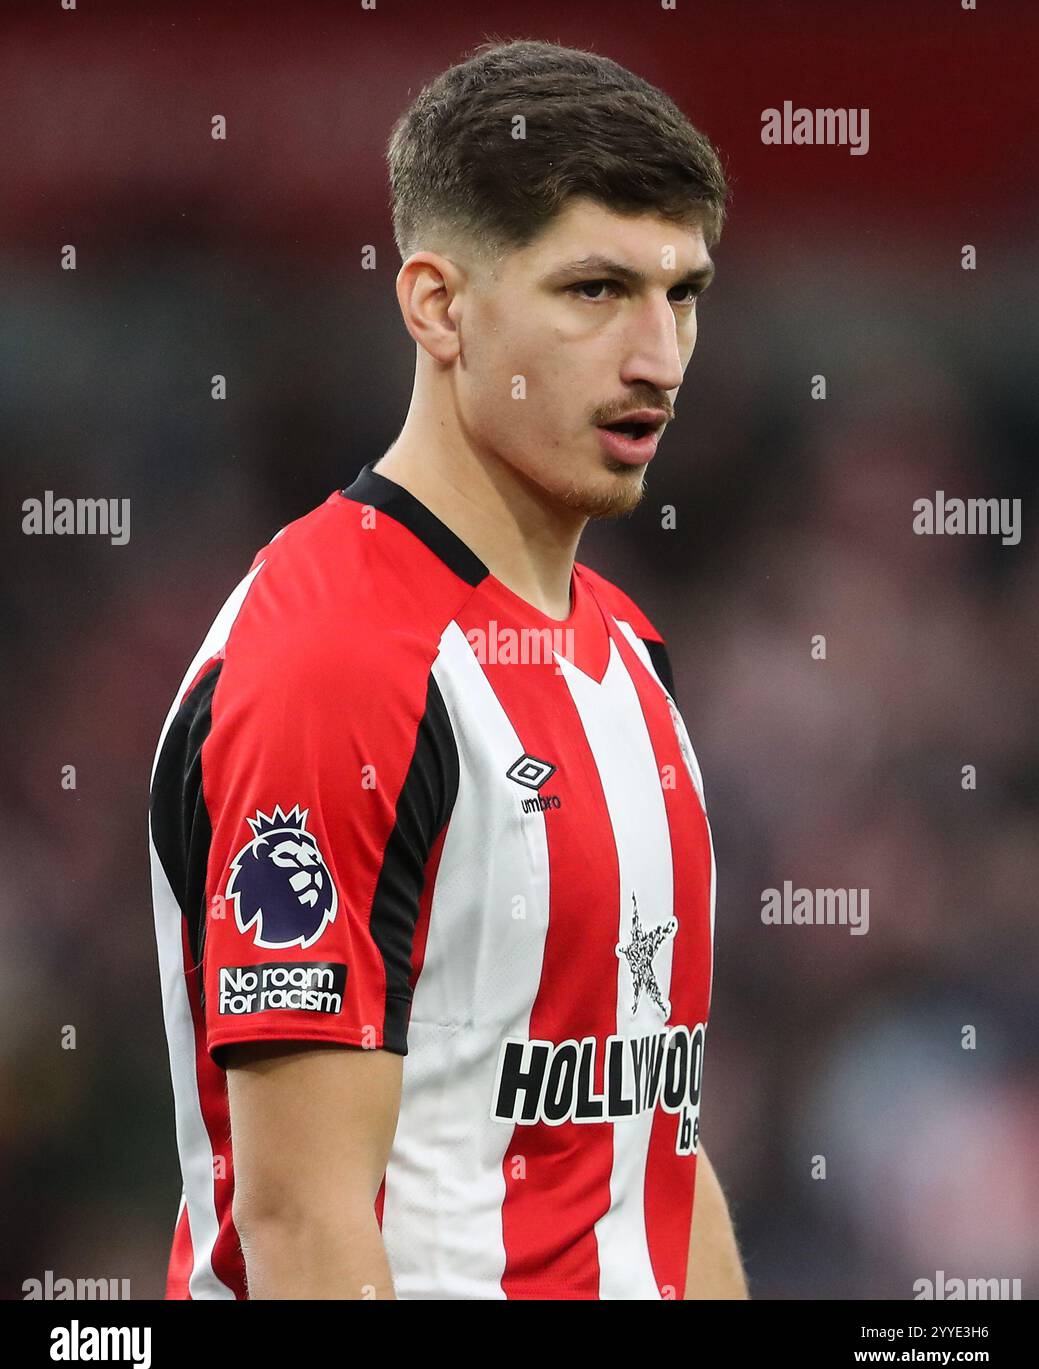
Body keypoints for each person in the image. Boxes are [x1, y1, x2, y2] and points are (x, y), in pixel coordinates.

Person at [149, 36, 748, 1300]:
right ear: (437, 305)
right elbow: (304, 1218)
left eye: (680, 292)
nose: (659, 358)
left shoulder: (628, 652)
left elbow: (654, 1151)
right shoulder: (338, 661)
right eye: (593, 291)